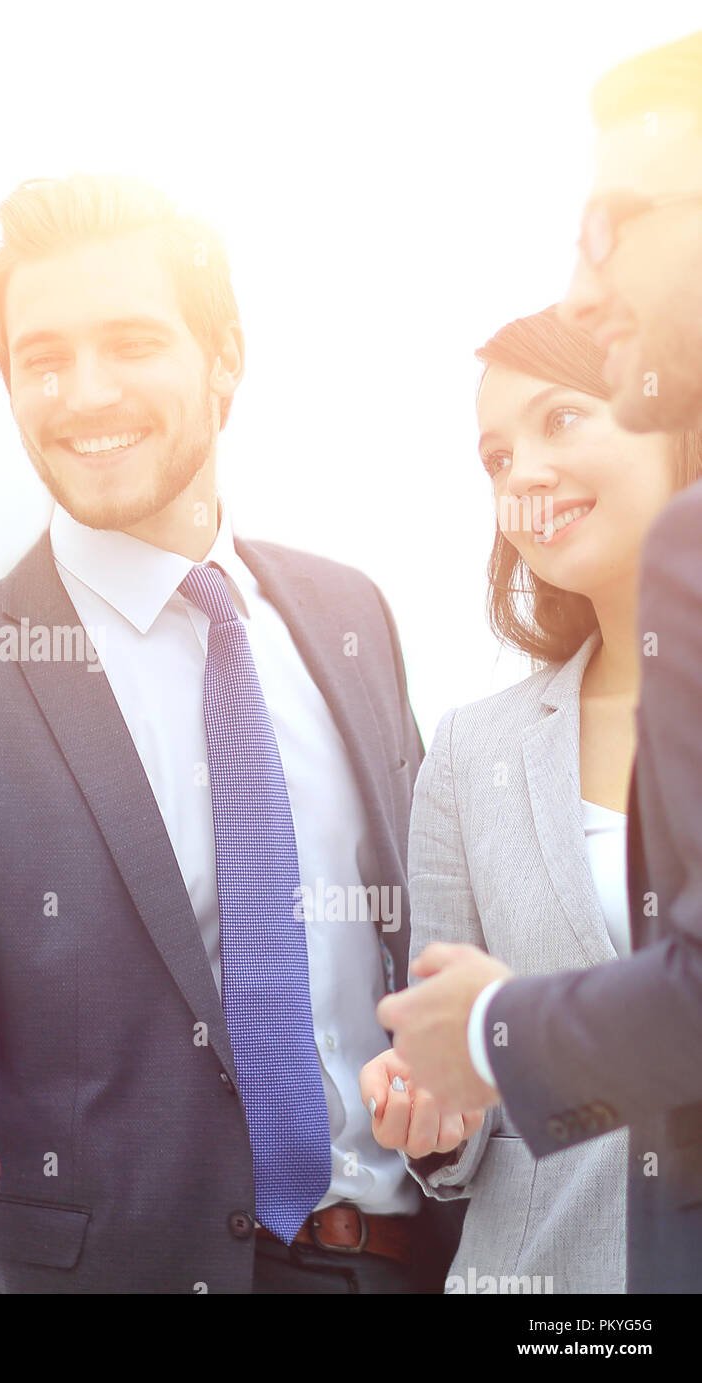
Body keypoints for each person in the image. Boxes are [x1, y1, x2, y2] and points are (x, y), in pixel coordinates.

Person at [0, 172, 464, 1293]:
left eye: (130, 343)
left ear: (225, 359)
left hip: (404, 1265)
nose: (84, 393)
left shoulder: (348, 616)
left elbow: (423, 937)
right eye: (43, 359)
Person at [377, 30, 702, 1294]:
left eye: (559, 420)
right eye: (494, 458)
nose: (524, 478)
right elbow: (449, 1093)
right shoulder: (470, 750)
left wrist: (500, 1031)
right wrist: (435, 1108)